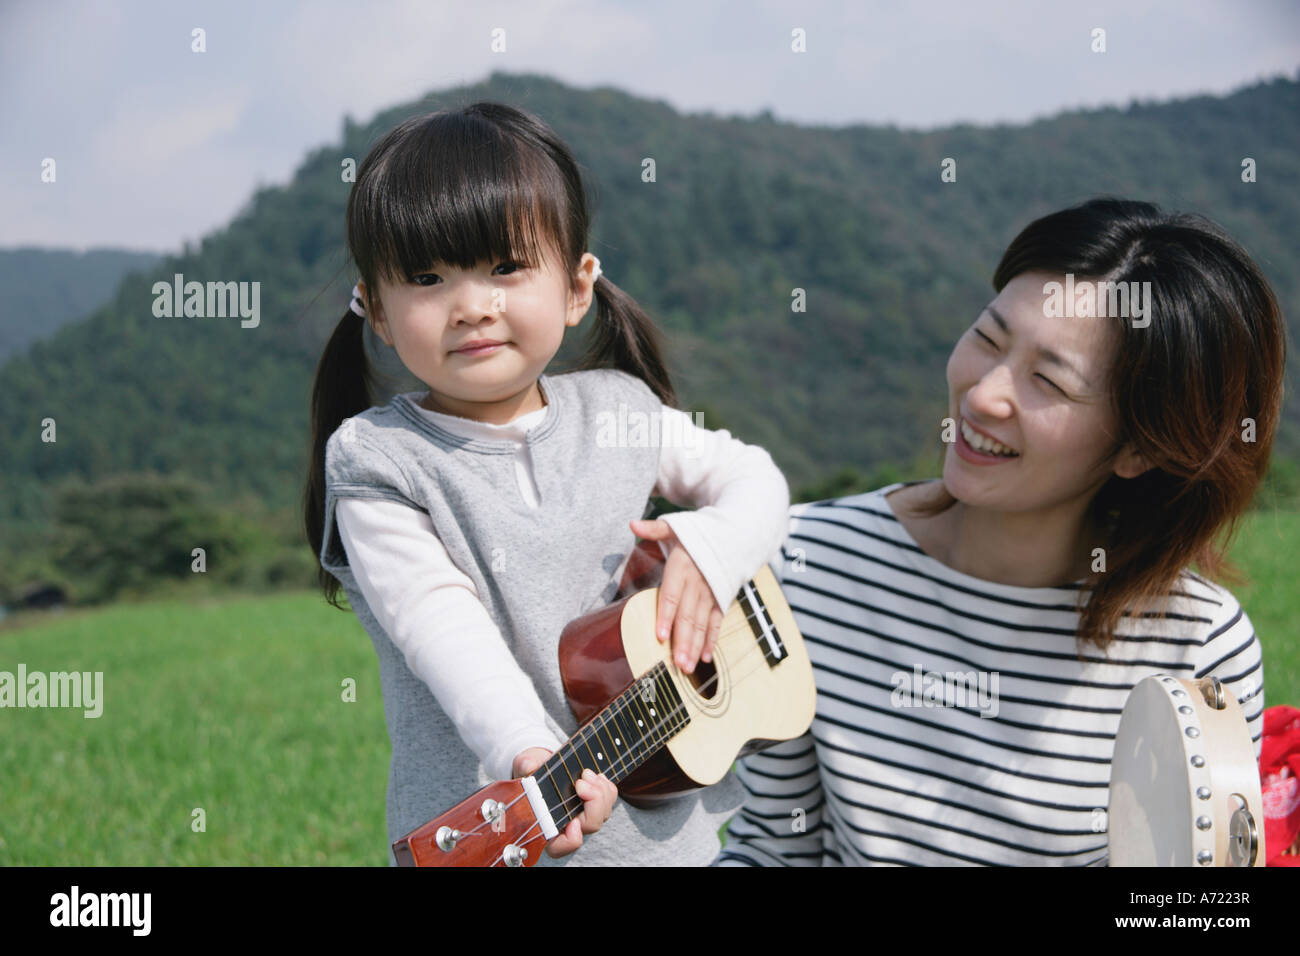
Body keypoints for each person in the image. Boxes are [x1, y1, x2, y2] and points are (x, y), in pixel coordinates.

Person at [715, 198, 1284, 866]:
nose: (985, 394)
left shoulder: (1198, 649)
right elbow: (776, 850)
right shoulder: (806, 563)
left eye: (1048, 380)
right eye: (988, 337)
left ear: (1137, 449)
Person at [303, 103, 789, 866]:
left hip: (667, 845)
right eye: (427, 279)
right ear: (379, 312)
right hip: (501, 823)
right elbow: (439, 622)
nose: (471, 307)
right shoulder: (380, 462)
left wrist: (711, 554)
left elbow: (753, 479)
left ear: (576, 285)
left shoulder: (620, 410)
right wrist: (526, 752)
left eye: (504, 268)